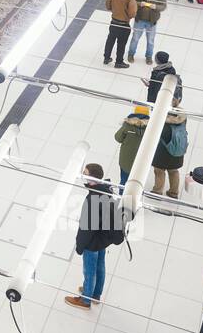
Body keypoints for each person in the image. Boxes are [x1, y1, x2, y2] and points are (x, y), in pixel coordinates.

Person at [63, 163, 125, 310]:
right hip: (103, 239)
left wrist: (79, 246)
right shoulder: (107, 189)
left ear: (91, 178)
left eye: (85, 173)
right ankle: (96, 295)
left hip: (93, 242)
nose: (82, 175)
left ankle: (85, 300)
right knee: (100, 266)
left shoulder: (92, 200)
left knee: (89, 271)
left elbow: (86, 229)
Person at [127, 0, 167, 65]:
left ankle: (149, 57)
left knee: (150, 41)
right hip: (139, 20)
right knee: (135, 38)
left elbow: (163, 6)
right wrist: (139, 3)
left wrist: (156, 7)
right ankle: (131, 54)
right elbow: (132, 1)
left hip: (151, 22)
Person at [102, 0, 137, 69]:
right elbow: (132, 14)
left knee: (110, 40)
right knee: (121, 44)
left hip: (113, 22)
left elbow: (107, 5)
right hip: (124, 25)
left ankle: (106, 58)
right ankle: (119, 62)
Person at [152, 109, 188, 198]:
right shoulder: (183, 122)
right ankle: (173, 192)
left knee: (159, 171)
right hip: (177, 155)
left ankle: (157, 191)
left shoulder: (164, 126)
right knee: (174, 172)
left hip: (163, 155)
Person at [113, 105, 149, 187]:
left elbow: (118, 138)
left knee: (124, 181)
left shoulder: (127, 125)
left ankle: (122, 197)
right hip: (142, 162)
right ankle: (134, 197)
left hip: (126, 160)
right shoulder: (151, 126)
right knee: (137, 183)